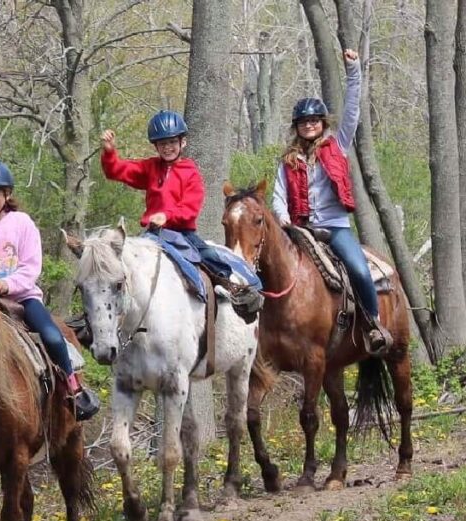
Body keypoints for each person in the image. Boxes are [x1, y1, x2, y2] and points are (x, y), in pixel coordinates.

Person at [0, 158, 100, 421]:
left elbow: (31, 266)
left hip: (22, 299)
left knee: (52, 336)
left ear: (7, 194)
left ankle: (74, 389)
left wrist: (9, 284)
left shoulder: (21, 223)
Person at [271, 49, 389, 356]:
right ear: (296, 126)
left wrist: (353, 71)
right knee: (269, 267)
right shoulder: (288, 161)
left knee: (359, 271)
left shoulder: (338, 145)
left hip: (335, 228)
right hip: (301, 229)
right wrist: (281, 216)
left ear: (322, 123)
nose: (309, 126)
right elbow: (278, 194)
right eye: (303, 122)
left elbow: (351, 111)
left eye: (314, 121)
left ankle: (373, 324)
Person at [100, 112, 262, 317]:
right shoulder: (150, 167)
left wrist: (167, 216)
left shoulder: (190, 172)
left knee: (210, 256)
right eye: (162, 144)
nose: (167, 148)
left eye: (172, 142)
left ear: (182, 142)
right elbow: (118, 171)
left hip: (182, 233)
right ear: (156, 147)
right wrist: (109, 152)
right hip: (153, 233)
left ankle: (234, 289)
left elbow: (190, 208)